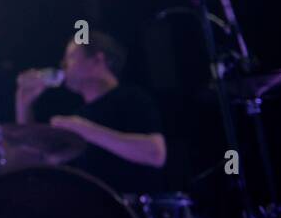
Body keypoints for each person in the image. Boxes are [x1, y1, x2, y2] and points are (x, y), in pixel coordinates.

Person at [15, 31, 167, 194]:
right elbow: (34, 162)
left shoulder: (132, 98)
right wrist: (24, 104)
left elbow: (155, 154)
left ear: (97, 60)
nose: (63, 65)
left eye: (71, 57)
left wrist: (83, 129)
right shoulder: (78, 115)